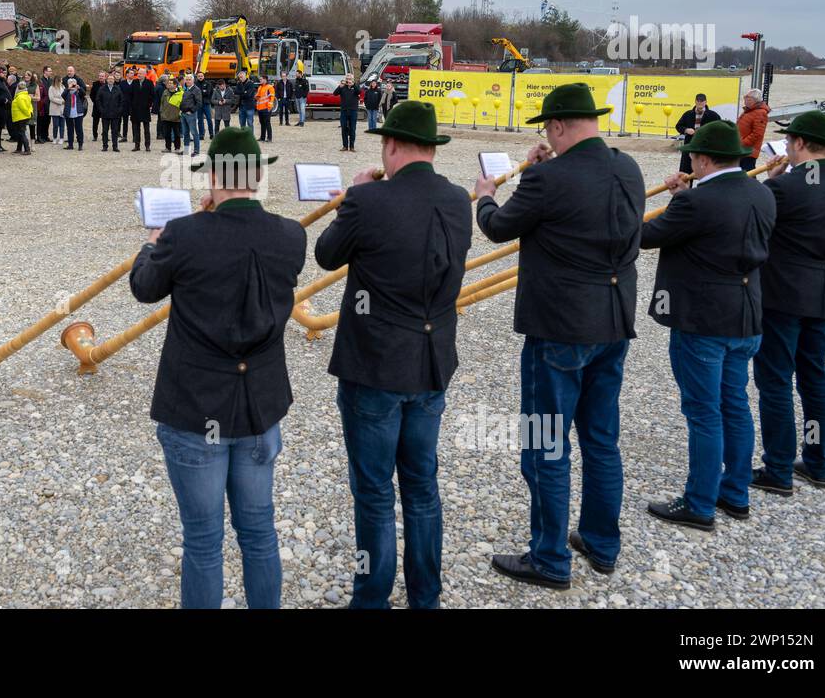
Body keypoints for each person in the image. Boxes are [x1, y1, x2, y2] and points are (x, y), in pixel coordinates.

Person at [474, 83, 644, 589]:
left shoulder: (547, 179)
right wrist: (538, 169)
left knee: (546, 444)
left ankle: (549, 558)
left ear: (558, 127)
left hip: (560, 328)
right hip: (613, 322)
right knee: (600, 439)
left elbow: (500, 227)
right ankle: (600, 541)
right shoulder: (628, 167)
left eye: (549, 127)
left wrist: (486, 196)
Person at [129, 127, 307, 609]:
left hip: (195, 406)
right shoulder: (292, 236)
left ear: (213, 176)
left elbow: (145, 288)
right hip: (259, 406)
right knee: (258, 531)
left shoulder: (185, 234)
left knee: (204, 542)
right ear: (255, 177)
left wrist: (153, 244)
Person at [315, 101, 471, 609]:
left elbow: (326, 254)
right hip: (431, 362)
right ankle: (426, 597)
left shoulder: (370, 200)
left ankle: (372, 598)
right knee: (422, 486)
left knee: (376, 492)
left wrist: (355, 197)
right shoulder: (456, 199)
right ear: (431, 148)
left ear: (392, 146)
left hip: (376, 364)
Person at [639, 121, 775, 529]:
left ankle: (698, 503)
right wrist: (684, 196)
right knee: (735, 404)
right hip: (746, 314)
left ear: (703, 159)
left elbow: (647, 236)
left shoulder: (698, 203)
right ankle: (735, 492)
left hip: (704, 319)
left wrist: (667, 201)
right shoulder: (762, 192)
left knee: (703, 412)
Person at [751, 110, 825, 494]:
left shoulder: (785, 187)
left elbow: (758, 226)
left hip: (785, 295)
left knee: (776, 380)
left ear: (797, 144)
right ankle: (817, 460)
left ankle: (777, 467)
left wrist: (771, 183)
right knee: (815, 378)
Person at [675, 93, 722, 174]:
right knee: (686, 173)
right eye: (698, 101)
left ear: (706, 102)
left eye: (702, 101)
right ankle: (688, 187)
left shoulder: (713, 115)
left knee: (706, 173)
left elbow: (720, 129)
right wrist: (686, 130)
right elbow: (678, 126)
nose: (700, 103)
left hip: (706, 148)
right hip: (690, 146)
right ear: (695, 102)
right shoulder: (688, 114)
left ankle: (704, 187)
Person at [737, 89, 770, 172]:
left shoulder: (760, 113)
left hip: (749, 151)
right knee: (745, 174)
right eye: (745, 98)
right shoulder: (749, 110)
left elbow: (757, 134)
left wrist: (743, 143)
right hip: (743, 150)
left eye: (747, 98)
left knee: (748, 174)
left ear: (754, 100)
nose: (745, 100)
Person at [97, 71, 126, 152]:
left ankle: (115, 146)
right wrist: (101, 109)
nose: (110, 80)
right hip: (105, 113)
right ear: (107, 80)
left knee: (115, 131)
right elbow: (98, 100)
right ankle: (105, 146)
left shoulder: (118, 88)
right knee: (105, 131)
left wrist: (119, 110)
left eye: (112, 79)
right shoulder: (102, 88)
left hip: (115, 114)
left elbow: (122, 100)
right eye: (109, 79)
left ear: (114, 80)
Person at [127, 67, 155, 152]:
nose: (138, 75)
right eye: (138, 73)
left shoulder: (149, 83)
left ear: (145, 74)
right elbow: (130, 95)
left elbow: (152, 95)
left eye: (140, 74)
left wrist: (149, 105)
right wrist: (132, 105)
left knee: (146, 129)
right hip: (135, 110)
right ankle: (137, 145)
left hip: (145, 109)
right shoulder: (134, 82)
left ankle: (147, 145)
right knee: (136, 128)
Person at [334, 73, 361, 152]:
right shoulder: (343, 87)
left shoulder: (356, 86)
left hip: (353, 111)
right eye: (347, 78)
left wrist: (353, 85)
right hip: (344, 111)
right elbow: (335, 93)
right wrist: (340, 86)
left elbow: (359, 92)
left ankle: (352, 146)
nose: (348, 80)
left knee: (352, 129)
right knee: (344, 128)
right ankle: (345, 146)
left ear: (352, 79)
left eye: (350, 78)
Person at [180, 73, 203, 155]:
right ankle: (186, 150)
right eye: (187, 79)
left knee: (194, 133)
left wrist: (192, 111)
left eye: (189, 79)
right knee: (185, 133)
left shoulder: (196, 90)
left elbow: (199, 103)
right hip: (183, 114)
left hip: (191, 115)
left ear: (193, 80)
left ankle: (196, 151)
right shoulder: (185, 89)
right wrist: (181, 109)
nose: (188, 81)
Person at [63, 76, 87, 151]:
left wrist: (79, 88)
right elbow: (62, 95)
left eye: (73, 83)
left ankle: (80, 144)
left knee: (79, 129)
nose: (72, 85)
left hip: (78, 113)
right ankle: (70, 144)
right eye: (70, 83)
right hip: (69, 113)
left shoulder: (78, 92)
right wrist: (68, 89)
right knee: (69, 129)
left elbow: (84, 93)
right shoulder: (66, 92)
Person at [11, 79, 34, 155]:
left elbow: (23, 107)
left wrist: (27, 114)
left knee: (21, 132)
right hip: (23, 117)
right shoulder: (26, 95)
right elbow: (30, 106)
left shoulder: (19, 97)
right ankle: (19, 148)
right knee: (20, 133)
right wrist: (30, 113)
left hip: (20, 117)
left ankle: (27, 149)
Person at [254, 76, 274, 143]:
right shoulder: (260, 87)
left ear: (265, 80)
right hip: (260, 108)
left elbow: (272, 97)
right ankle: (262, 137)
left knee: (267, 123)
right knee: (262, 123)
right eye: (259, 79)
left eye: (261, 79)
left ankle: (269, 138)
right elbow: (258, 96)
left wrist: (269, 107)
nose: (260, 80)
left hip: (266, 108)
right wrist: (255, 97)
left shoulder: (270, 87)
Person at [195, 70, 214, 139]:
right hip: (199, 104)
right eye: (199, 76)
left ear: (204, 76)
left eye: (201, 76)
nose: (200, 77)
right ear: (197, 77)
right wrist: (203, 92)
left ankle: (211, 134)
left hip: (206, 104)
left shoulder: (208, 83)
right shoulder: (195, 84)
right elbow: (195, 94)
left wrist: (200, 93)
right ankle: (201, 134)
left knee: (209, 119)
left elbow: (208, 93)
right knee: (200, 120)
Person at [36, 66, 53, 143]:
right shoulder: (41, 81)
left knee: (47, 121)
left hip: (50, 104)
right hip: (42, 104)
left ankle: (45, 136)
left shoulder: (51, 80)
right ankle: (40, 136)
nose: (51, 72)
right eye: (49, 71)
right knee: (41, 121)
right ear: (45, 71)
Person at [89, 71, 107, 143]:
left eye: (102, 76)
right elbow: (91, 95)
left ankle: (104, 135)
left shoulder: (107, 84)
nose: (101, 77)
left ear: (105, 77)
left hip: (105, 107)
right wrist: (95, 102)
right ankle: (95, 136)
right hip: (96, 106)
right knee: (95, 122)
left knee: (105, 122)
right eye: (100, 76)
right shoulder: (95, 84)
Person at [48, 70, 65, 144]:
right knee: (55, 125)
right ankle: (55, 138)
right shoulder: (51, 88)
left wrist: (64, 101)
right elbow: (51, 98)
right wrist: (60, 101)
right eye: (61, 80)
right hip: (54, 109)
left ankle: (61, 138)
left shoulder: (63, 87)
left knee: (62, 125)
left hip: (62, 109)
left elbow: (65, 95)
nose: (62, 81)